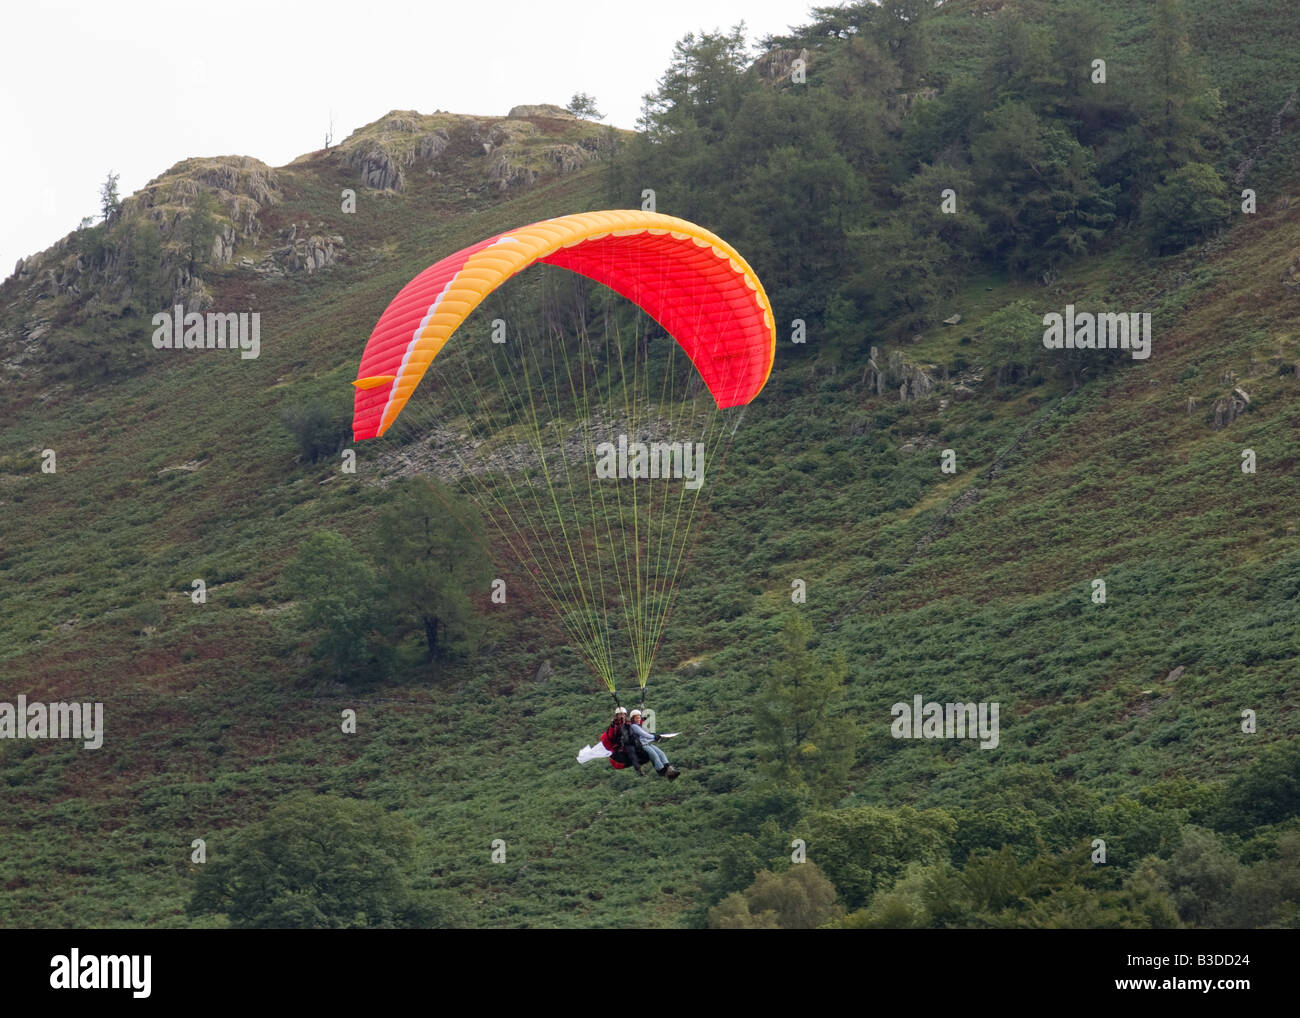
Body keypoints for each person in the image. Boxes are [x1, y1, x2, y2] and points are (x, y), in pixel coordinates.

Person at [629, 708, 678, 780]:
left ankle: (668, 767)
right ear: (633, 719)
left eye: (639, 718)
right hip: (642, 745)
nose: (638, 719)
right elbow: (644, 734)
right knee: (654, 756)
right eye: (637, 718)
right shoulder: (634, 726)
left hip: (647, 743)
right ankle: (661, 770)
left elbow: (645, 733)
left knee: (661, 753)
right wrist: (654, 737)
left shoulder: (639, 725)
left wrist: (655, 737)